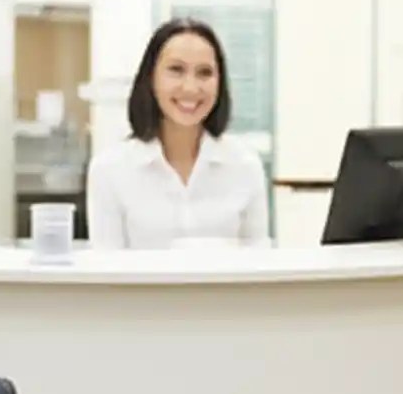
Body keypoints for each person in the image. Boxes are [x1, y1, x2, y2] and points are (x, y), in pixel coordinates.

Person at [86, 18, 270, 249]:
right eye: (176, 70)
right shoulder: (109, 170)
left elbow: (259, 267)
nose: (191, 87)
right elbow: (107, 274)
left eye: (205, 73)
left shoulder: (245, 166)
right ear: (151, 78)